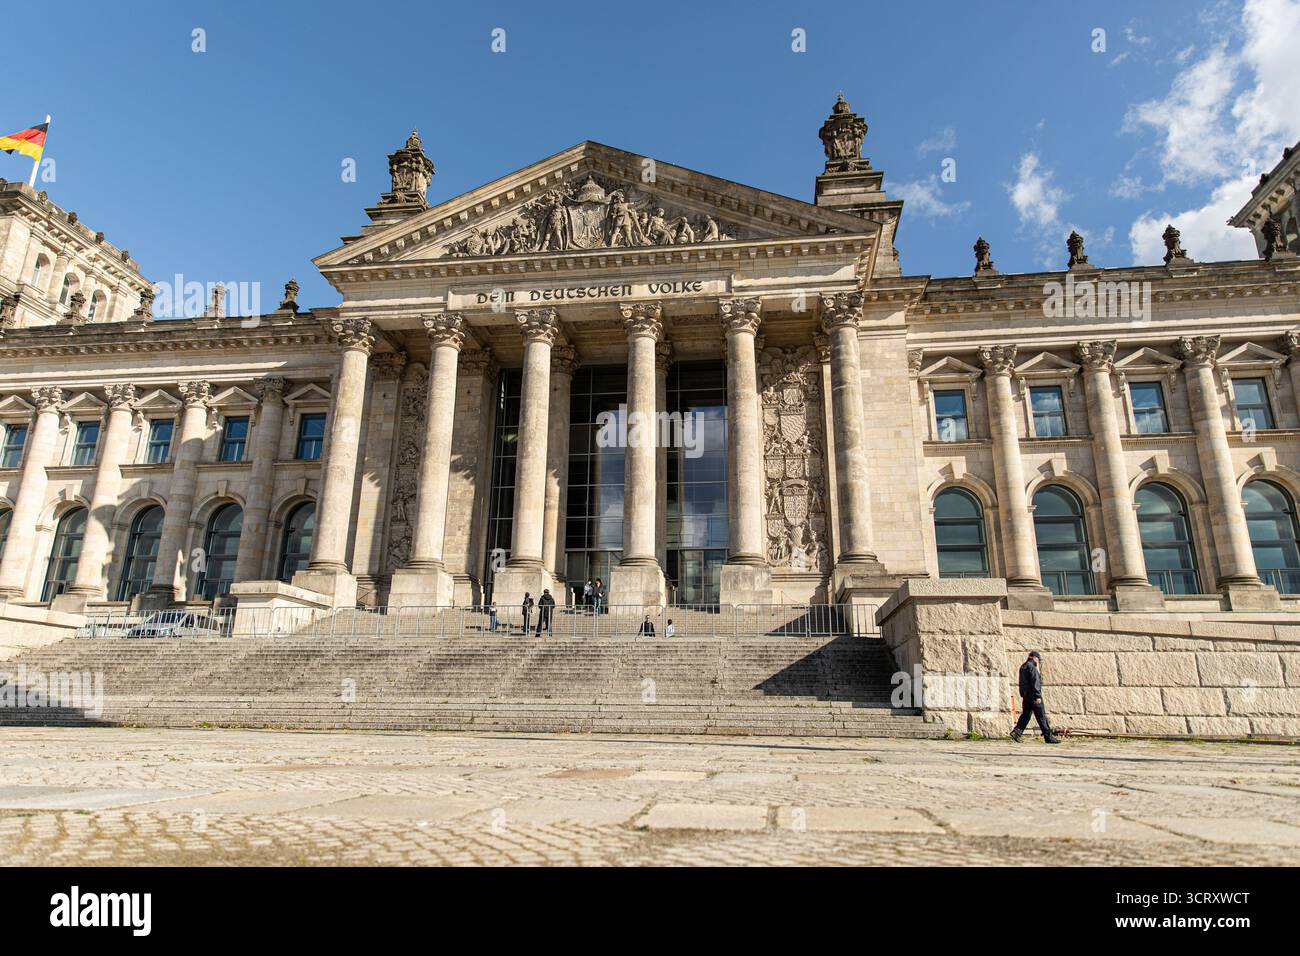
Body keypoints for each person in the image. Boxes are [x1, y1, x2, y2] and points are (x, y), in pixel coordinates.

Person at [1011, 651, 1061, 744]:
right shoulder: (1032, 667)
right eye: (1038, 659)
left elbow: (1022, 683)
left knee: (1025, 715)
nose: (1038, 661)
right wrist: (1038, 696)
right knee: (1041, 717)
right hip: (1034, 696)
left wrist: (1023, 694)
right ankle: (1048, 737)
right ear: (1034, 657)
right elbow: (1035, 682)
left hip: (1026, 696)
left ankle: (1016, 732)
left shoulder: (1023, 667)